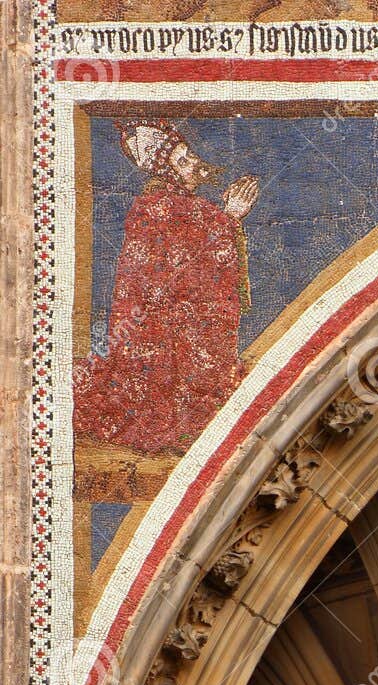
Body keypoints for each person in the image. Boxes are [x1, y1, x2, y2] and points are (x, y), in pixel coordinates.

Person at [74, 122, 259, 454]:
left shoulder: (167, 205)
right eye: (183, 161)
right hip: (159, 333)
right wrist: (231, 215)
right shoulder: (165, 205)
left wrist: (225, 219)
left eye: (190, 157)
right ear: (165, 170)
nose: (194, 166)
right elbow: (198, 262)